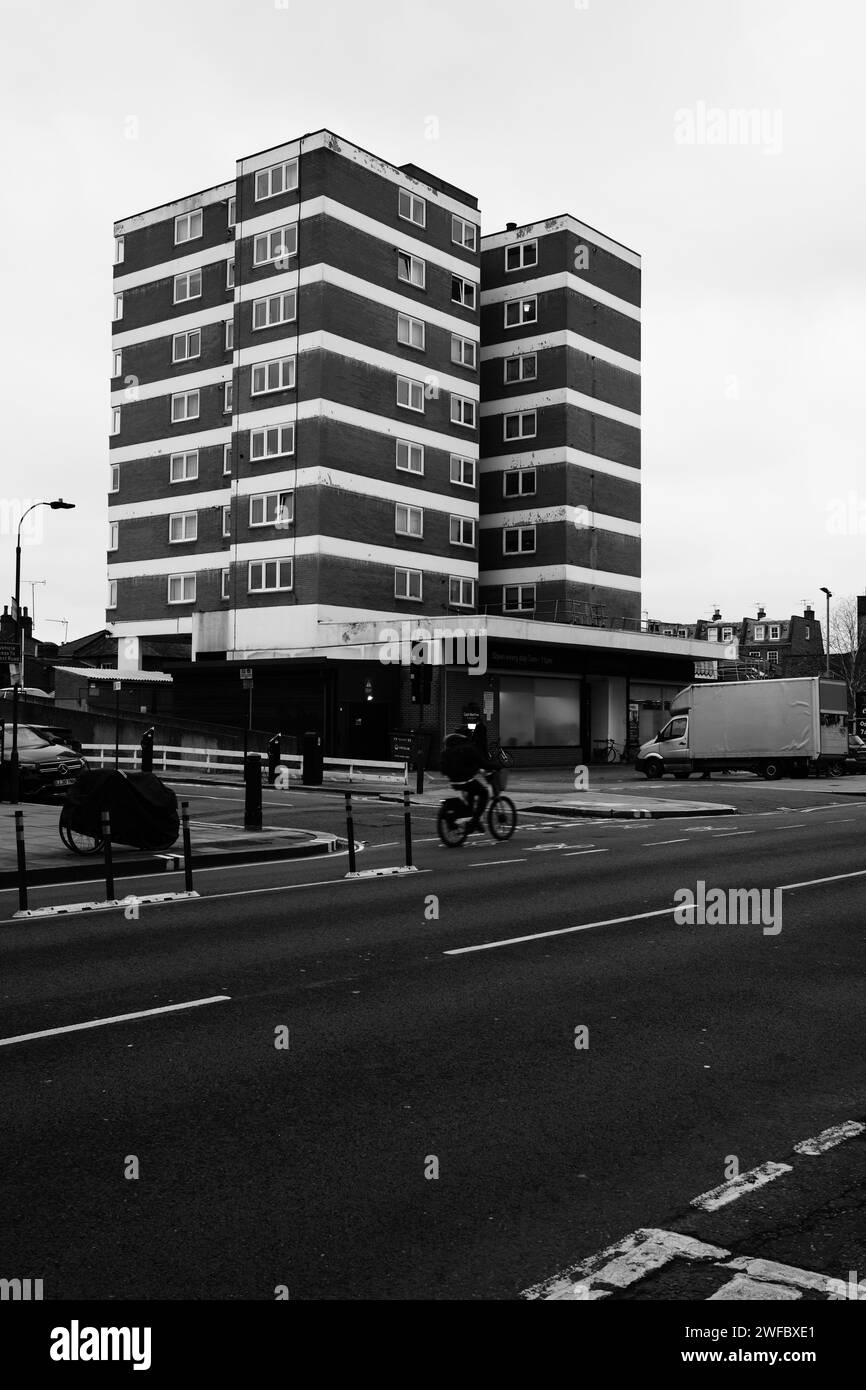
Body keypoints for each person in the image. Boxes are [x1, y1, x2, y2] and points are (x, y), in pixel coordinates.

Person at [441, 726, 492, 831]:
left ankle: (469, 817)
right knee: (484, 793)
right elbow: (482, 763)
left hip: (453, 781)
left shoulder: (449, 748)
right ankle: (475, 821)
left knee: (471, 793)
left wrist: (475, 769)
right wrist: (497, 766)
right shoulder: (468, 747)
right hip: (465, 780)